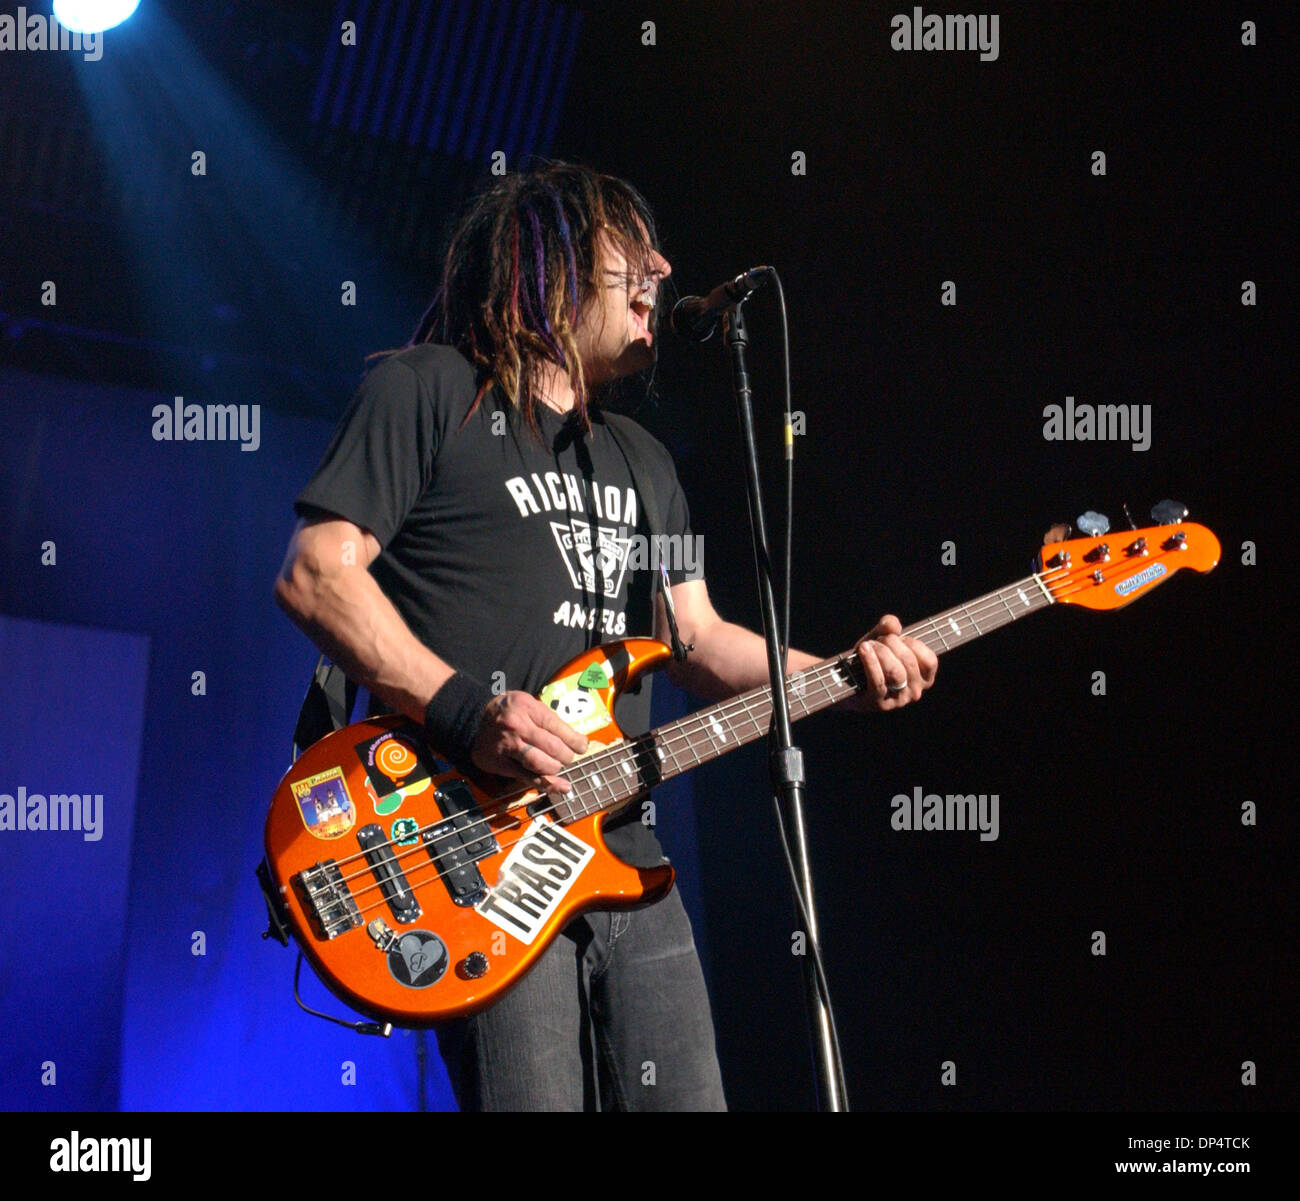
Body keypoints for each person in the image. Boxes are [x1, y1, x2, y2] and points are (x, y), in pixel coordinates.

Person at [273, 161, 938, 1111]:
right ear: (548, 265)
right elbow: (317, 572)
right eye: (633, 248)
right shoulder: (428, 391)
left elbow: (699, 637)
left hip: (622, 848)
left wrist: (841, 673)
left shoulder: (645, 462)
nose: (664, 268)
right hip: (473, 844)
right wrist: (468, 711)